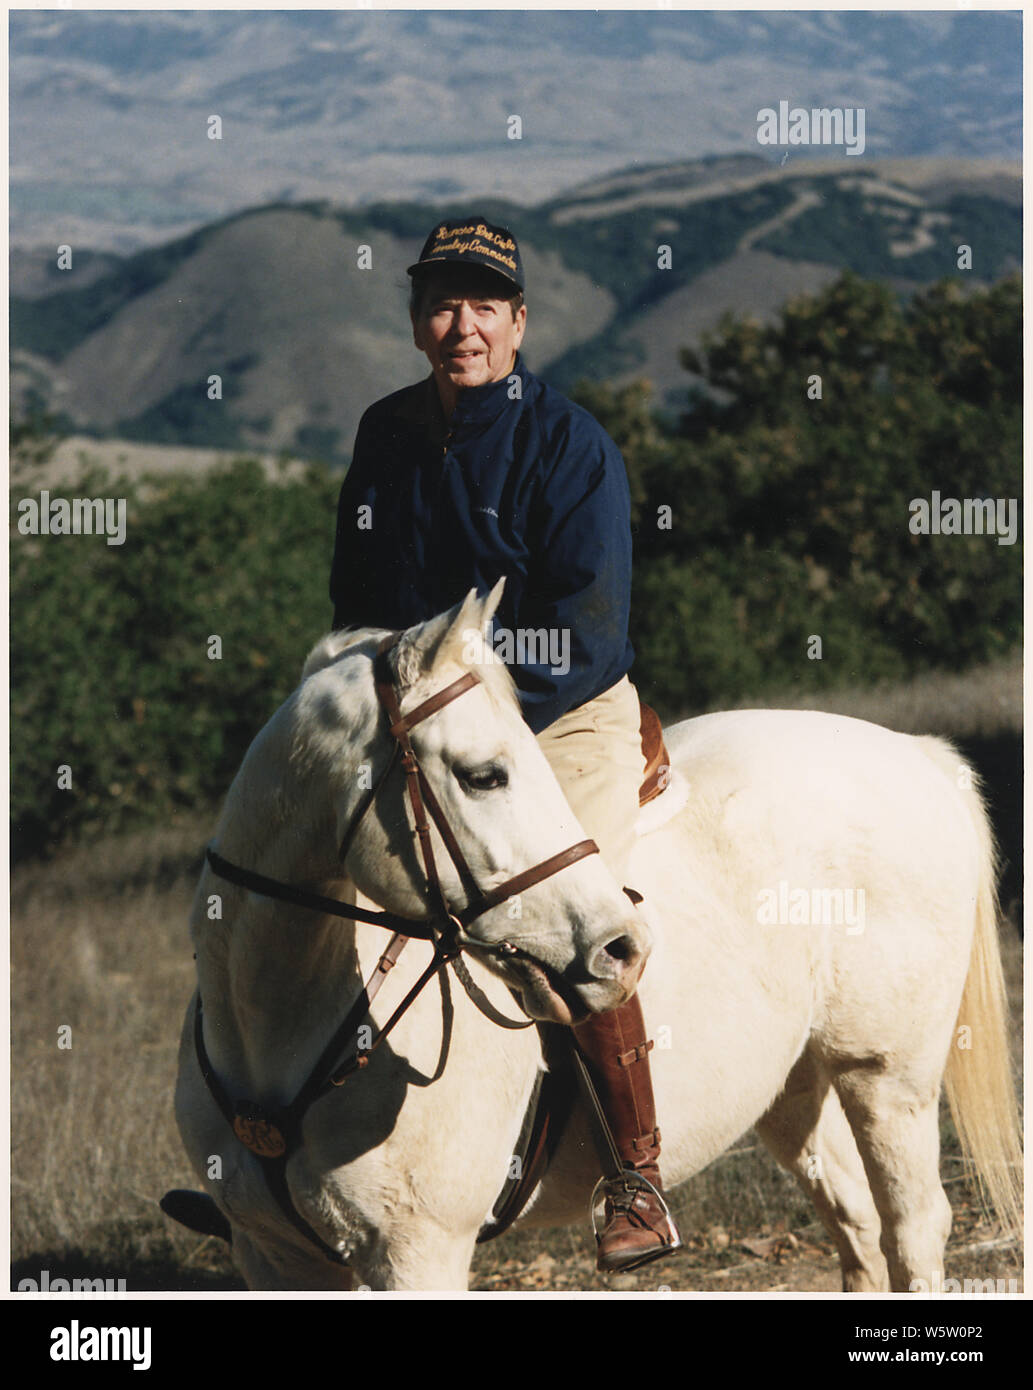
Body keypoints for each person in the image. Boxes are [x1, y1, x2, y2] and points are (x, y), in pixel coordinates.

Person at [329, 217, 682, 1272]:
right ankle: (290, 1159)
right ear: (414, 319)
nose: (463, 325)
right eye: (443, 302)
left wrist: (471, 702)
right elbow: (356, 598)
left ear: (520, 323)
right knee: (314, 888)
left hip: (559, 717)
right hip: (423, 720)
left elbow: (587, 629)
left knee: (578, 920)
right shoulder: (385, 432)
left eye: (486, 305)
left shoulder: (569, 442)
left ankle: (636, 1175)